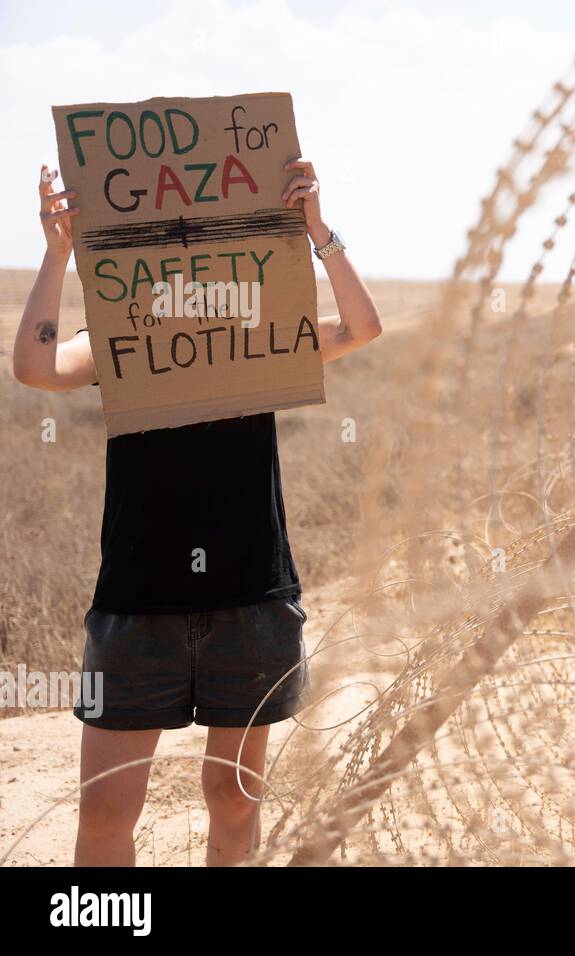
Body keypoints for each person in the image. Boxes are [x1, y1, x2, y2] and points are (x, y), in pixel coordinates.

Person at [13, 160, 382, 865]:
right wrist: (58, 252)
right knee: (105, 809)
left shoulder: (254, 333)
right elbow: (34, 369)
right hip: (137, 597)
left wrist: (317, 231)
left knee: (235, 797)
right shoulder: (122, 341)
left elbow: (362, 326)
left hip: (249, 593)